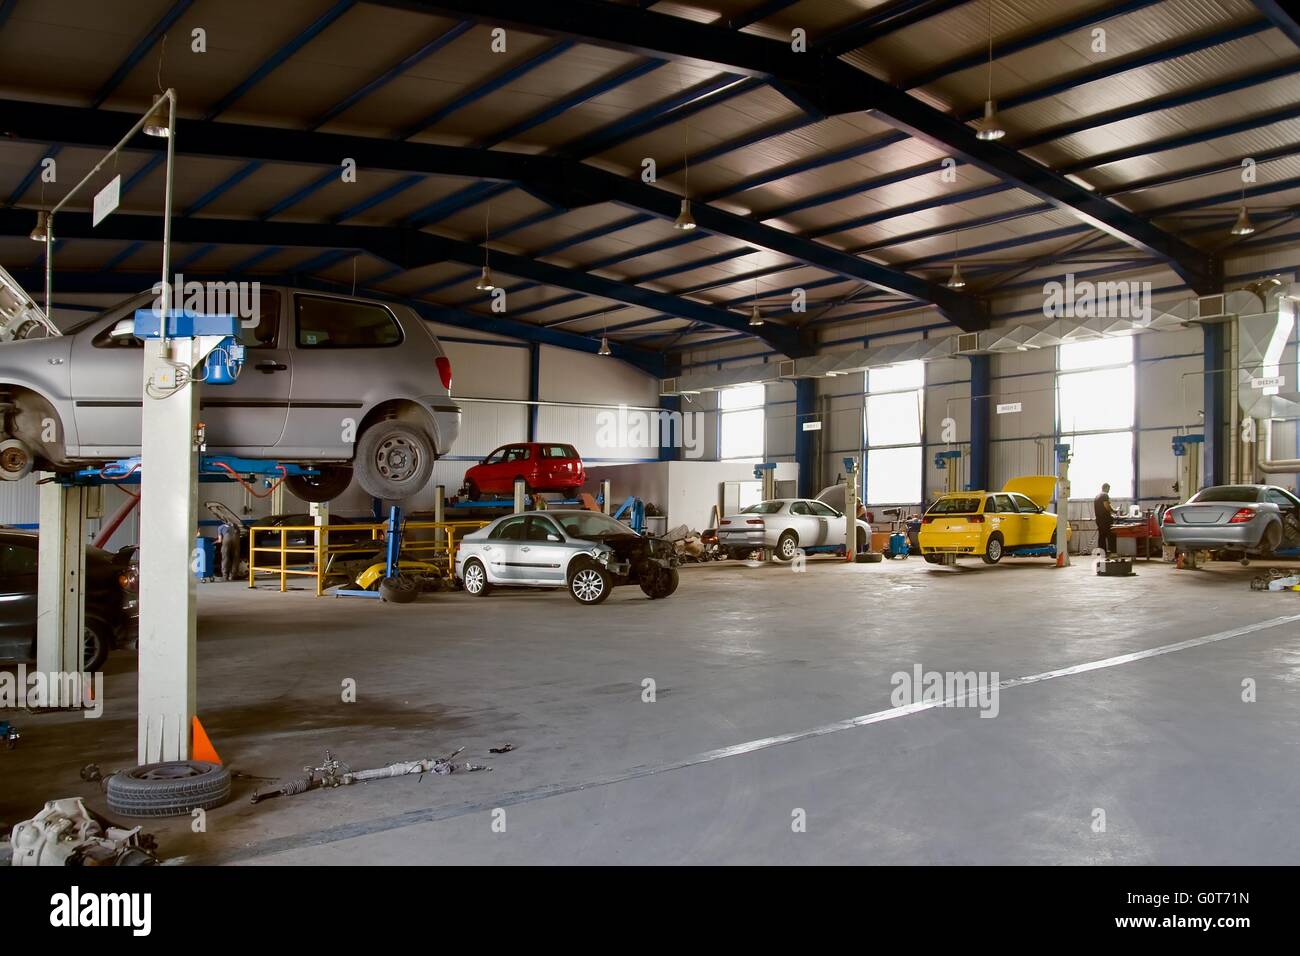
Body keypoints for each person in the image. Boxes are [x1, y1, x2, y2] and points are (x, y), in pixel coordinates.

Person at [1094, 483, 1116, 555]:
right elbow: (1107, 506)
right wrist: (1114, 511)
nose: (1109, 491)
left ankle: (1101, 552)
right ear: (1106, 488)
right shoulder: (1105, 495)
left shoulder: (1097, 496)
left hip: (1099, 519)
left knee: (1101, 537)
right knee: (1111, 536)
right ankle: (1113, 552)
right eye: (1109, 489)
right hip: (1105, 519)